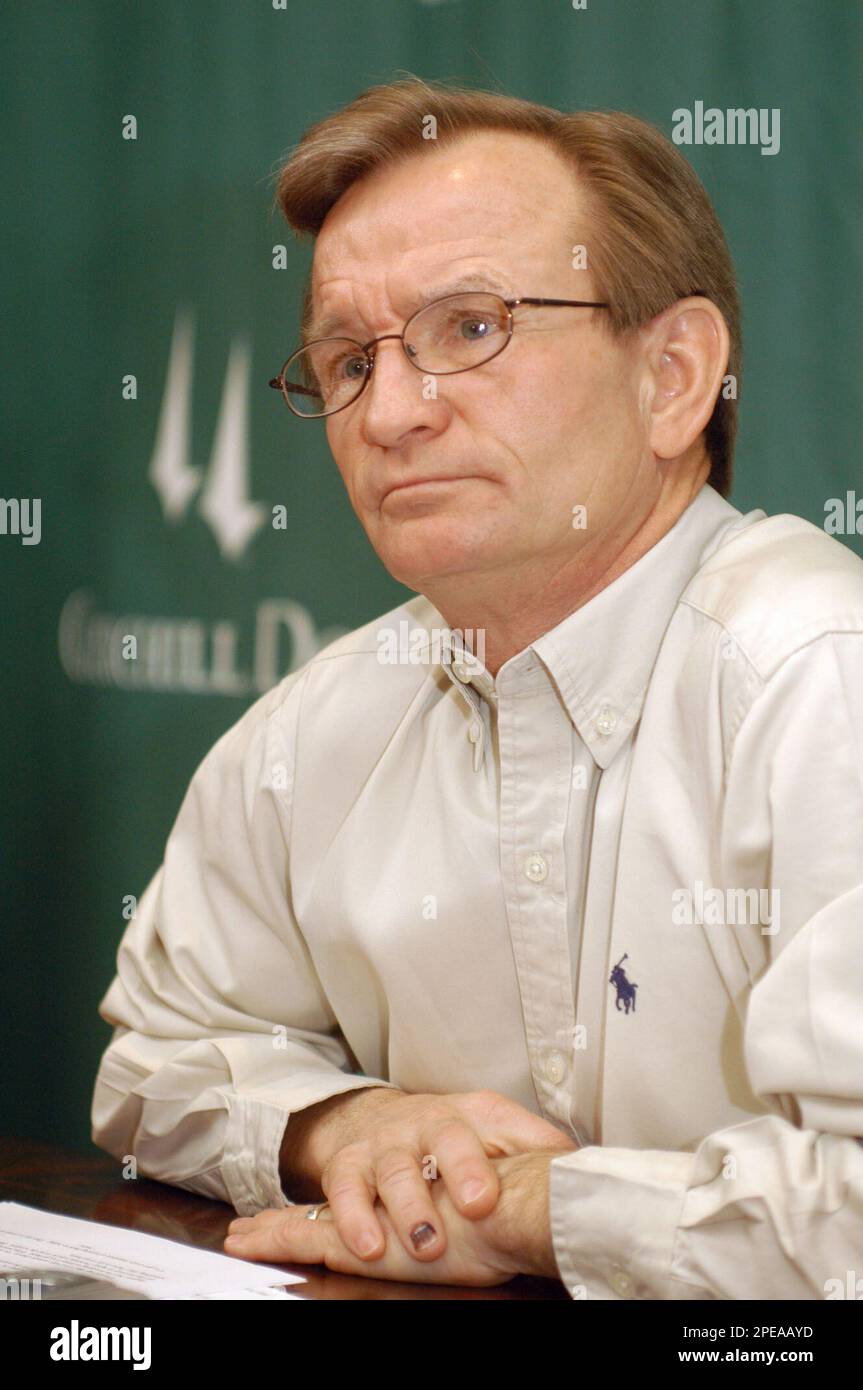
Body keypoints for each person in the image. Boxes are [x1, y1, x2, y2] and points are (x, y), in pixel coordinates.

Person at [92, 78, 863, 1299]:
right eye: (349, 357)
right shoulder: (317, 722)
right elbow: (154, 1065)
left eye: (469, 328)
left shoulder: (820, 675)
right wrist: (336, 1127)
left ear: (670, 376)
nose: (389, 412)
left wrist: (536, 1213)